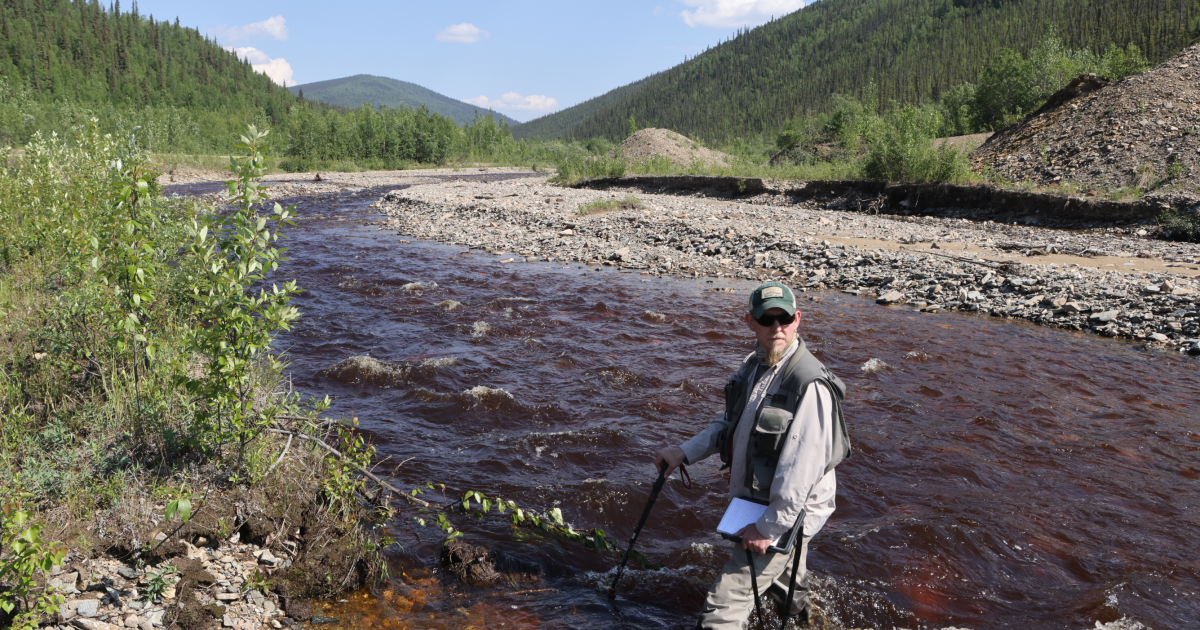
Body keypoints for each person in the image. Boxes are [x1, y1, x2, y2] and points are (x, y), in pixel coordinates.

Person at [655, 281, 849, 629]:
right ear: (751, 322)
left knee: (722, 607)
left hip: (787, 511)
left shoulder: (809, 385)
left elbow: (799, 472)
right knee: (785, 591)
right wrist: (684, 452)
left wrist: (767, 528)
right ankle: (808, 622)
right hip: (766, 504)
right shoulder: (753, 366)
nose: (777, 327)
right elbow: (730, 424)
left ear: (798, 319)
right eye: (767, 319)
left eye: (784, 318)